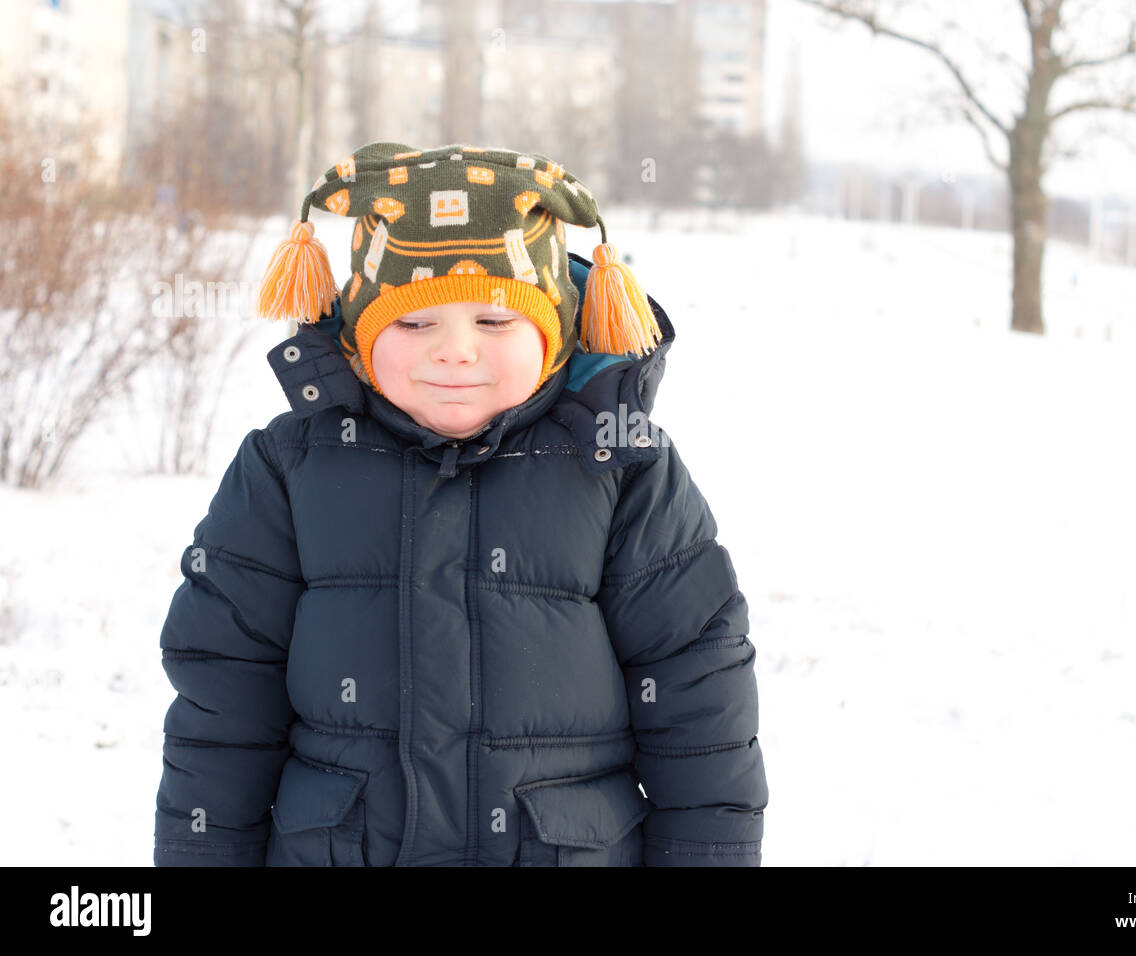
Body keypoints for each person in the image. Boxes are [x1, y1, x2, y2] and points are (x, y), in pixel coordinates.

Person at [152, 142, 768, 866]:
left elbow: (700, 709)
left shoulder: (620, 468)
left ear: (556, 328)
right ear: (358, 334)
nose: (455, 351)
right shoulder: (290, 469)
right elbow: (223, 711)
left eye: (494, 322)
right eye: (414, 324)